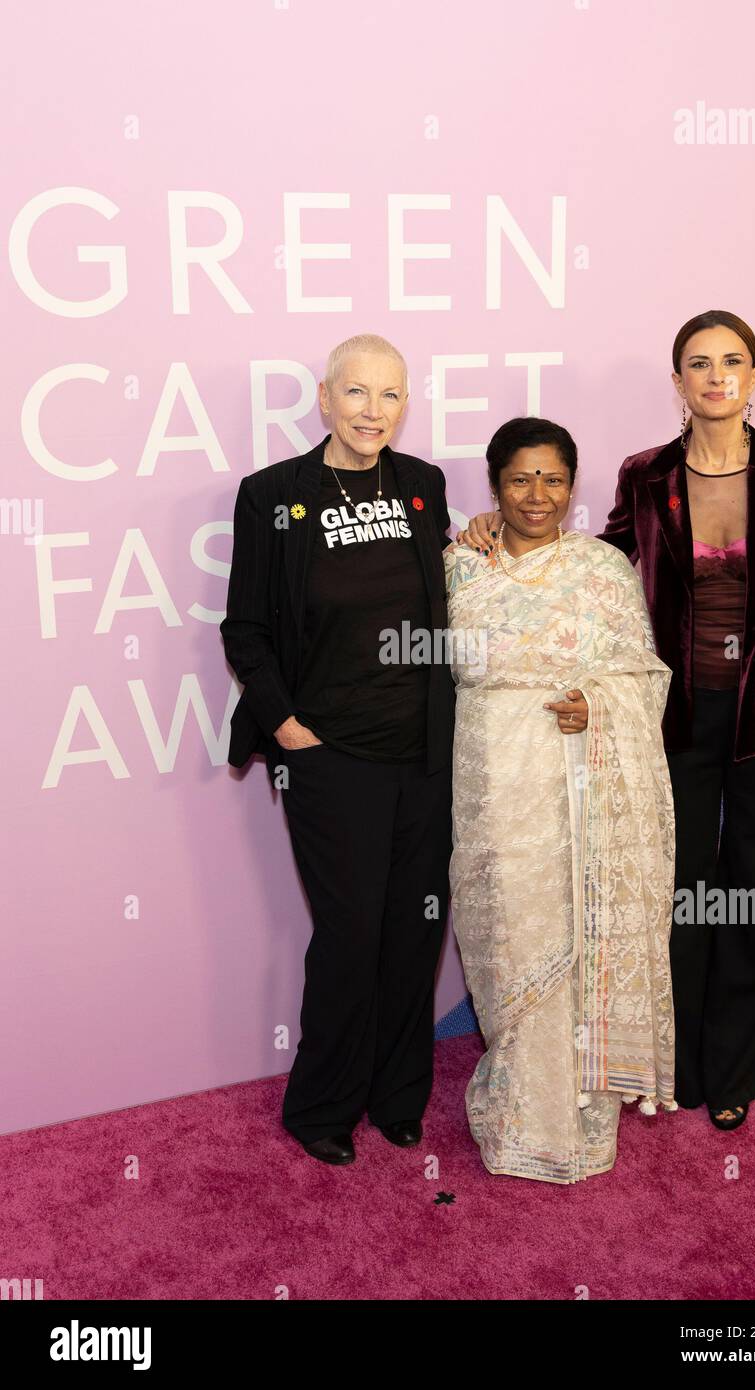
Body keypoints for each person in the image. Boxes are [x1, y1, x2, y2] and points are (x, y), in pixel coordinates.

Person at [459, 311, 755, 1131]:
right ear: (678, 382)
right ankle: (685, 1062)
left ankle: (742, 1065)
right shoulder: (646, 474)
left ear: (754, 375)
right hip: (668, 719)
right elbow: (590, 564)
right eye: (698, 363)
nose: (715, 376)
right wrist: (497, 532)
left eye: (732, 361)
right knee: (680, 892)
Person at [220, 334, 455, 1165]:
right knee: (350, 935)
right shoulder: (274, 496)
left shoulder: (423, 487)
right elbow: (244, 627)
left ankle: (397, 1097)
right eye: (357, 394)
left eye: (390, 396)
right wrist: (288, 729)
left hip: (424, 754)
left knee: (414, 935)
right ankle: (321, 1106)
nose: (373, 413)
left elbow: (449, 598)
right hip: (331, 755)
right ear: (324, 399)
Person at [445, 416, 677, 1183]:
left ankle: (575, 1114)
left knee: (577, 935)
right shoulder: (460, 566)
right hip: (491, 777)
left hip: (579, 779)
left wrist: (600, 705)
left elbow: (644, 674)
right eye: (519, 479)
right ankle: (517, 1101)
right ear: (494, 487)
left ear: (573, 487)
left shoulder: (603, 568)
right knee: (505, 932)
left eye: (552, 479)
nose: (537, 495)